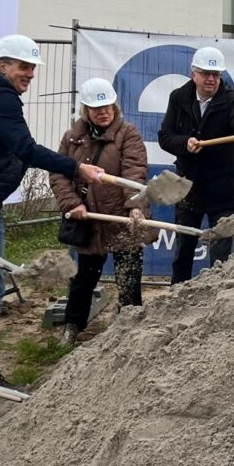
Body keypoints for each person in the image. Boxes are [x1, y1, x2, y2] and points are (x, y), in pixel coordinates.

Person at [0, 35, 105, 389]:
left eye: (32, 68)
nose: (29, 74)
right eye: (23, 67)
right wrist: (77, 168)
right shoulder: (0, 98)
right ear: (3, 66)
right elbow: (25, 148)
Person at [50, 78, 149, 342]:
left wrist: (135, 207)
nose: (103, 112)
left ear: (115, 106)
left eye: (107, 106)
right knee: (84, 277)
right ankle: (73, 325)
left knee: (128, 276)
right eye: (96, 108)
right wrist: (73, 204)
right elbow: (59, 175)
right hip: (90, 220)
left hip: (121, 218)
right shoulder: (73, 138)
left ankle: (130, 325)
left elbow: (134, 172)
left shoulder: (128, 134)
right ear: (86, 110)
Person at [157, 46, 234, 282]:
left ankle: (217, 300)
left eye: (216, 74)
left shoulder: (230, 99)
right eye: (206, 74)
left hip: (222, 190)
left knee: (221, 255)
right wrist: (185, 143)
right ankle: (177, 296)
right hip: (187, 188)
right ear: (194, 74)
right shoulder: (178, 98)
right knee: (183, 250)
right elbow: (165, 136)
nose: (211, 79)